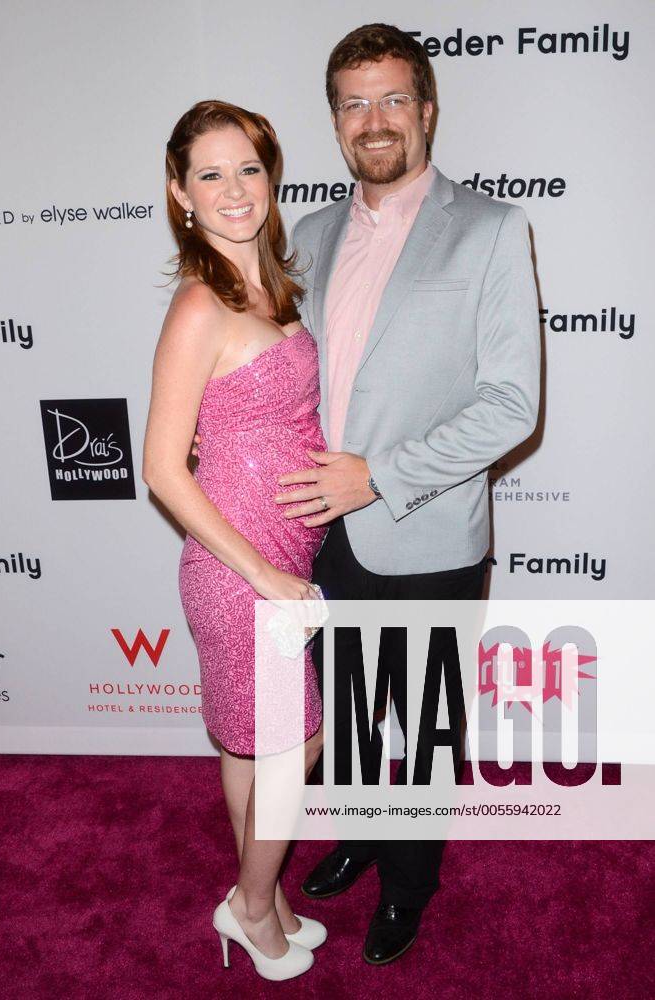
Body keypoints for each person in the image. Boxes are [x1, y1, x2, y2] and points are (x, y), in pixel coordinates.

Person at [270, 23, 541, 965]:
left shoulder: (492, 229)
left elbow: (511, 405)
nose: (374, 120)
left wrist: (379, 475)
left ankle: (409, 884)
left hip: (424, 531)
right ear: (335, 121)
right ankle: (360, 834)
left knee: (422, 725)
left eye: (392, 99)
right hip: (320, 532)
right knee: (345, 709)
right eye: (354, 103)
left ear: (427, 109)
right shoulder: (308, 236)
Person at [142, 99, 328, 982]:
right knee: (297, 742)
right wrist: (262, 575)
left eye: (248, 168)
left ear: (271, 177)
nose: (233, 189)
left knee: (249, 745)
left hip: (282, 559)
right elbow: (162, 467)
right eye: (209, 174)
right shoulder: (199, 305)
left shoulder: (271, 289)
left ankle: (270, 898)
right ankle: (249, 907)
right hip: (239, 572)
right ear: (181, 193)